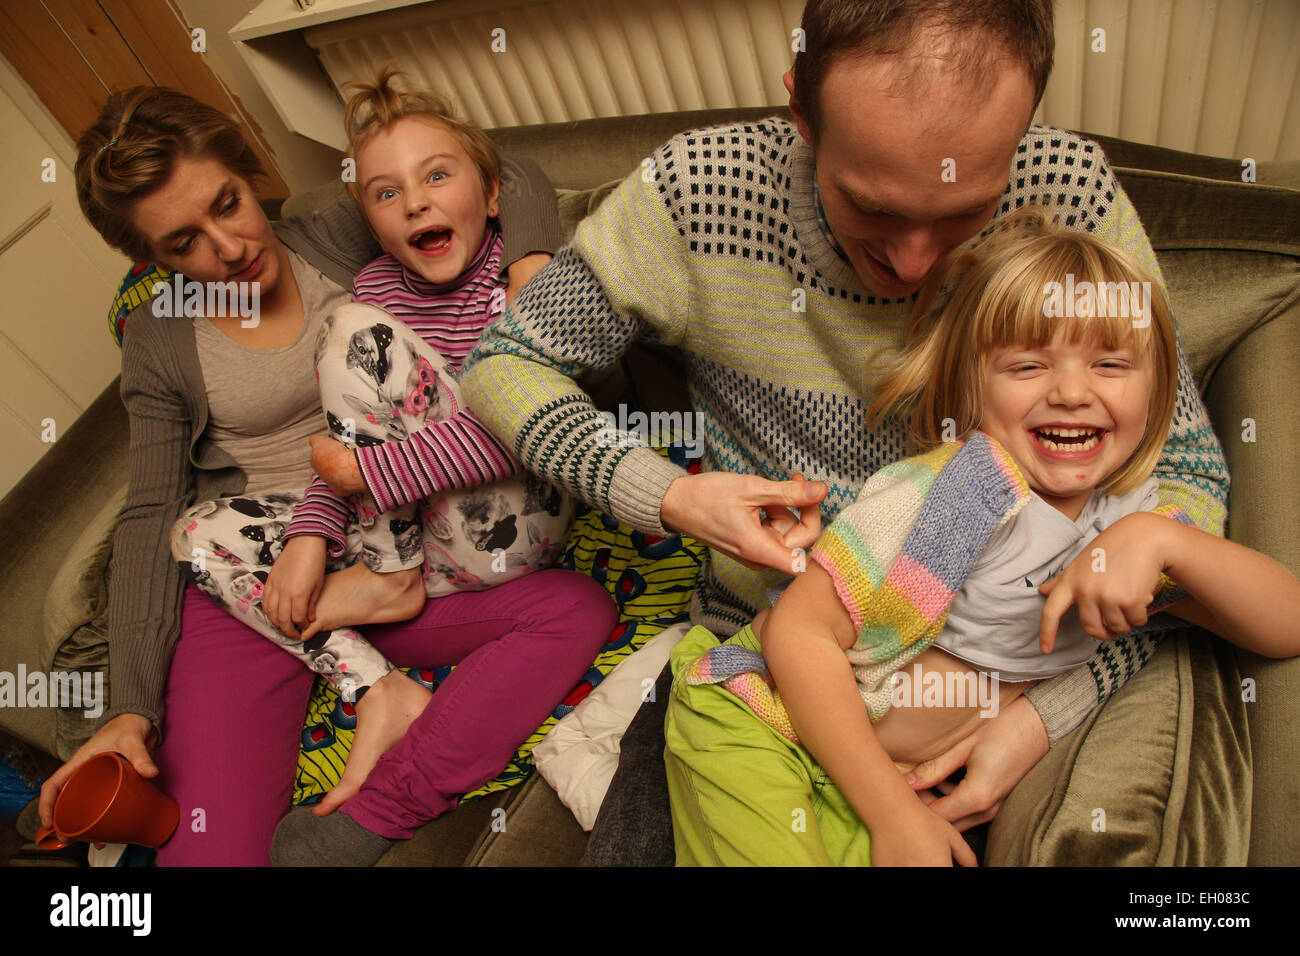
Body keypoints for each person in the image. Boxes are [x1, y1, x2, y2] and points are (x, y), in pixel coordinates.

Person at [461, 0, 1230, 863]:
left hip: (987, 689)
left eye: (961, 213)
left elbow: (1189, 477)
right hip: (761, 666)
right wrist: (670, 494)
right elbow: (503, 361)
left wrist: (1041, 714)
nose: (913, 263)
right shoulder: (697, 191)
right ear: (801, 111)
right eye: (871, 208)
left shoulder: (1070, 192)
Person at [32, 85, 613, 867]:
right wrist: (129, 709)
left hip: (414, 526)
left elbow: (503, 170)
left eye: (229, 204)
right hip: (268, 569)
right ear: (153, 258)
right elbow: (149, 516)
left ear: (248, 172)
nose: (229, 248)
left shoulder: (341, 229)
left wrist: (530, 269)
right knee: (211, 853)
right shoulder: (157, 341)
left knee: (571, 609)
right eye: (183, 244)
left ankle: (383, 792)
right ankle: (376, 687)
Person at [663, 208, 1300, 865]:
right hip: (759, 722)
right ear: (972, 391)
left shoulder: (1132, 524)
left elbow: (1285, 623)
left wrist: (1167, 544)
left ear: (1158, 393)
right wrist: (890, 813)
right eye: (1028, 366)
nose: (1072, 391)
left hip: (866, 781)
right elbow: (799, 635)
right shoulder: (945, 498)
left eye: (1110, 363)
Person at [169, 68, 580, 822]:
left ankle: (388, 580)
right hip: (426, 546)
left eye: (437, 177)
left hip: (516, 517)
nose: (416, 200)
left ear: (491, 198)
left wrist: (365, 472)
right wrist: (308, 535)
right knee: (196, 533)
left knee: (353, 331)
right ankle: (373, 682)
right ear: (370, 220)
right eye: (387, 194)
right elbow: (350, 439)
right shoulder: (376, 289)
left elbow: (532, 434)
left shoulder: (523, 283)